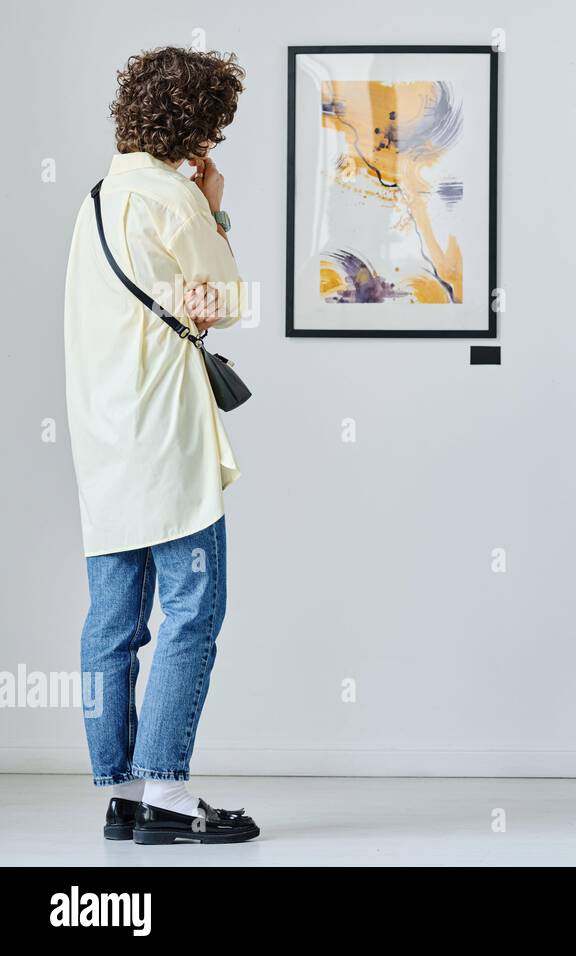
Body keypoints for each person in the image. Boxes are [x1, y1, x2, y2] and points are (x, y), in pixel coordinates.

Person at [64, 46, 258, 844]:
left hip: (102, 438)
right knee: (191, 612)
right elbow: (225, 301)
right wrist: (213, 205)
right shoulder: (174, 196)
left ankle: (124, 791)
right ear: (196, 125)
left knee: (113, 622)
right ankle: (169, 794)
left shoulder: (98, 197)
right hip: (164, 440)